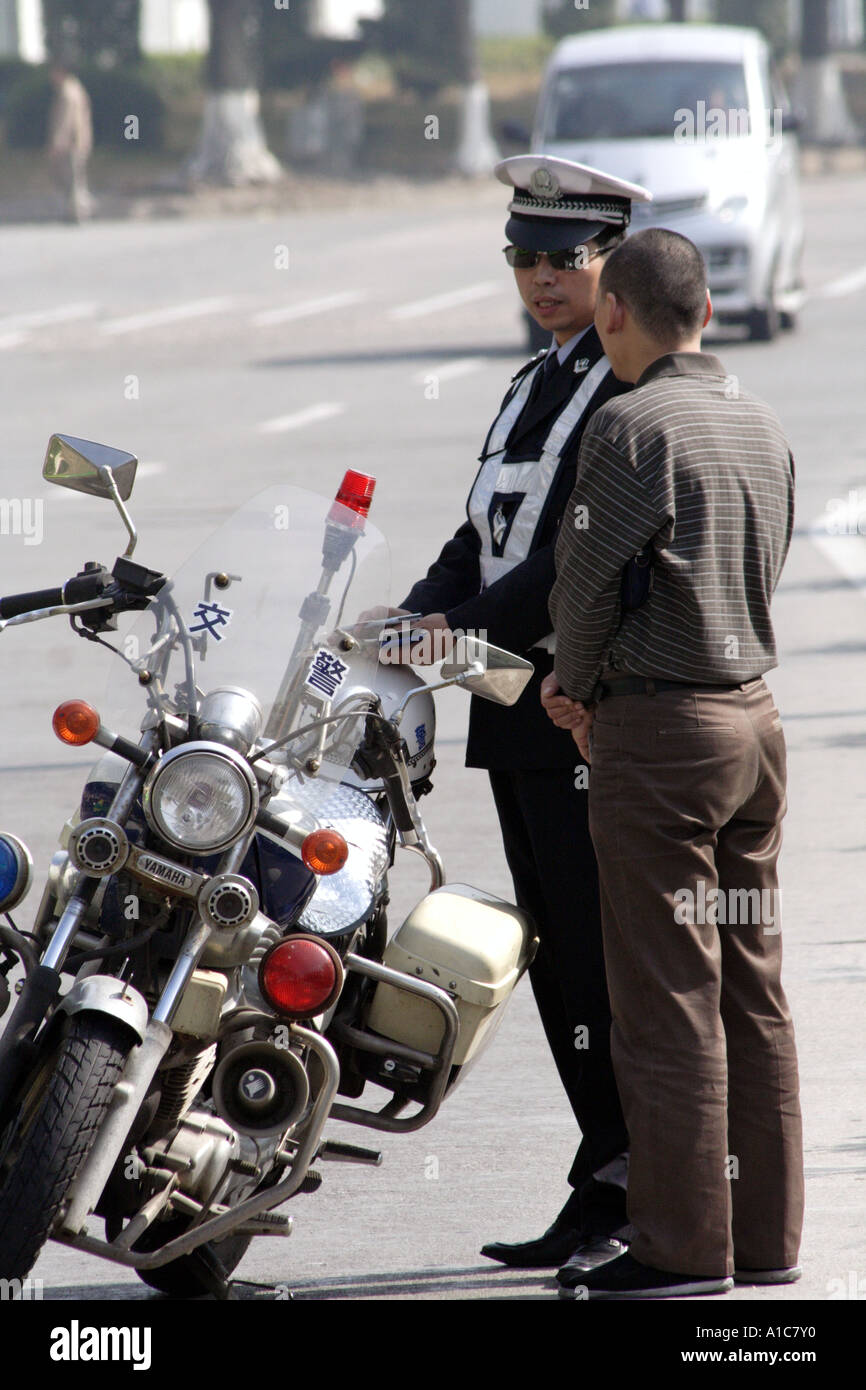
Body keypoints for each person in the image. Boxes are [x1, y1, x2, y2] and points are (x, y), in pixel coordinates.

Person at [381, 156, 652, 1276]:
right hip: (513, 715)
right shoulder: (535, 375)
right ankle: (598, 1187)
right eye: (522, 258)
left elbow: (564, 561)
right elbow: (481, 531)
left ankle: (640, 1194)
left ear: (613, 265)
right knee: (557, 965)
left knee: (605, 966)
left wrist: (450, 633)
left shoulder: (623, 386)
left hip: (577, 712)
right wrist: (409, 615)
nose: (540, 279)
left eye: (563, 259)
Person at [545, 226, 803, 1299]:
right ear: (703, 310)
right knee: (750, 986)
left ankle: (680, 1248)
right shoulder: (758, 421)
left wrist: (570, 685)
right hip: (753, 728)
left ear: (617, 310)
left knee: (662, 997)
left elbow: (585, 582)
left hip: (660, 738)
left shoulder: (627, 422)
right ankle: (765, 1238)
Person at [46, 61, 93, 224]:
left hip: (71, 144)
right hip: (80, 141)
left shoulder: (67, 92)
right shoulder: (76, 88)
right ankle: (79, 211)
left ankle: (77, 212)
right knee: (76, 179)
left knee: (72, 180)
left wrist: (57, 142)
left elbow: (65, 121)